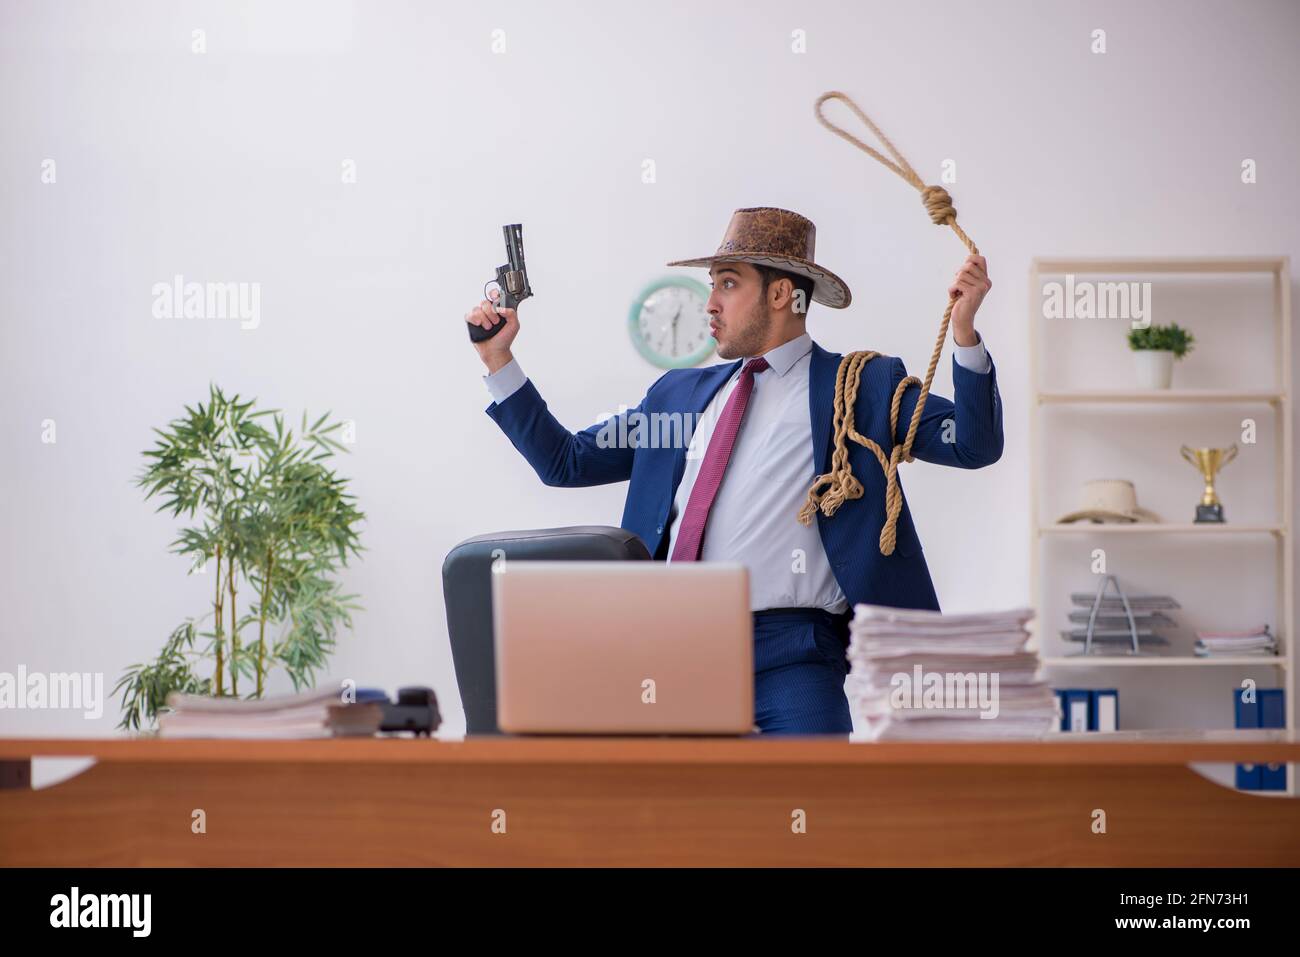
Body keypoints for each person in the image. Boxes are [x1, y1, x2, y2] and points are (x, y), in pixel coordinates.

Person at [464, 207, 1003, 734]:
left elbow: (974, 445)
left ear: (779, 295)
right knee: (670, 817)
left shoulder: (859, 388)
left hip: (793, 655)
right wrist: (497, 359)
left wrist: (964, 332)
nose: (710, 304)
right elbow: (566, 462)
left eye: (726, 284)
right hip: (668, 650)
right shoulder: (678, 398)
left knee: (808, 811)